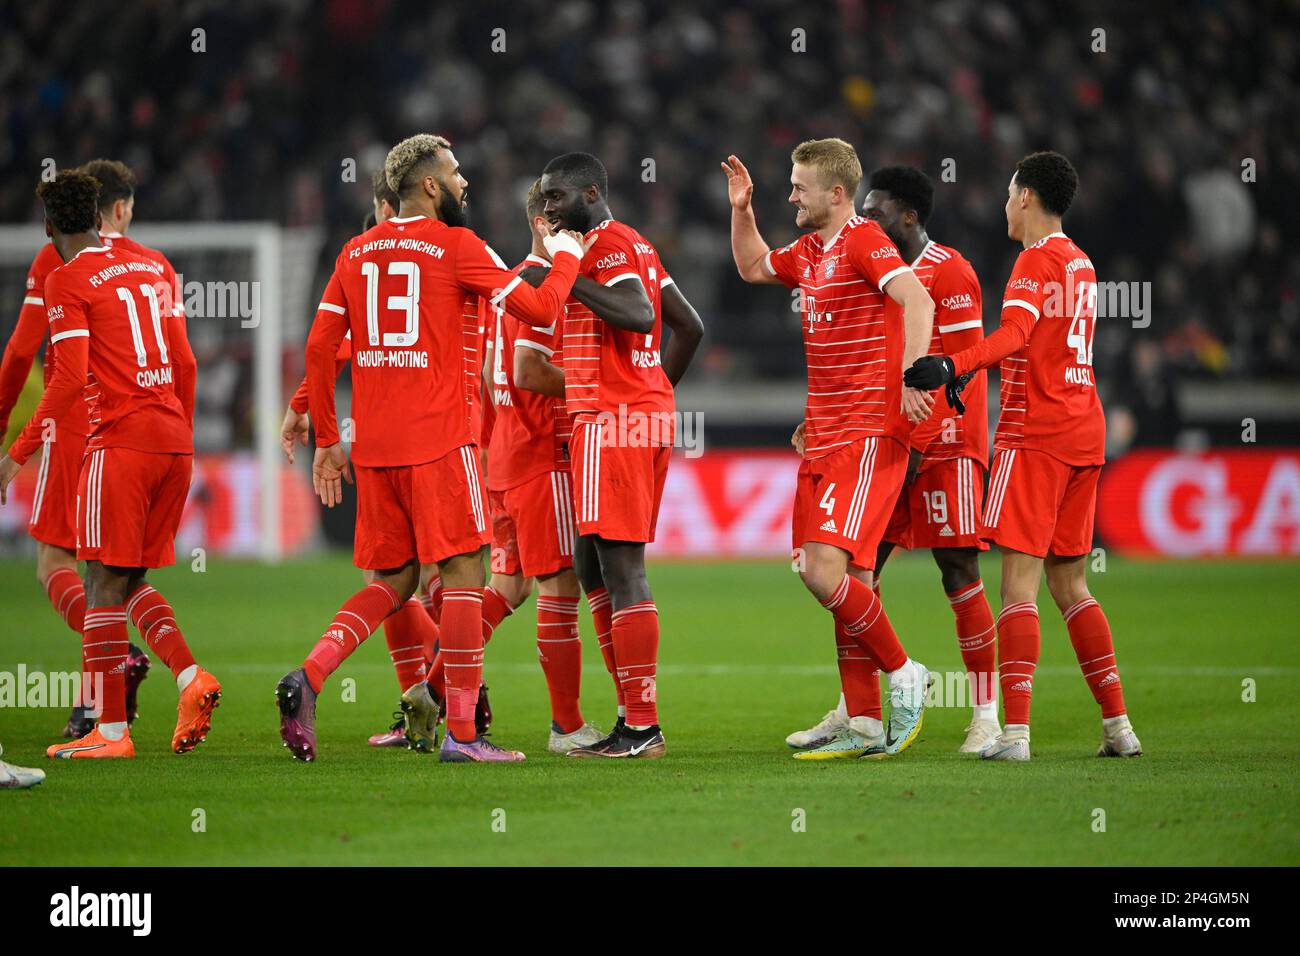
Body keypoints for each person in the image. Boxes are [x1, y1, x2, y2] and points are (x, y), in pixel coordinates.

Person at [274, 133, 584, 763]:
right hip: (444, 443)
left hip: (376, 446)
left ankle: (310, 675)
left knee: (392, 581)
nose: (466, 181)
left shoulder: (355, 251)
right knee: (468, 573)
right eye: (457, 172)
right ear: (432, 186)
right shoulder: (456, 245)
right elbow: (541, 303)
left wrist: (328, 442)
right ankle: (465, 734)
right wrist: (568, 254)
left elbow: (316, 349)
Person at [905, 150, 1143, 761]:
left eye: (1011, 193)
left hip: (1034, 433)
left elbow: (1015, 334)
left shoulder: (1034, 260)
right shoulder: (1082, 262)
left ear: (1028, 198)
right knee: (1074, 586)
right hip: (1085, 431)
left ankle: (1015, 734)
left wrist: (950, 366)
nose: (1005, 204)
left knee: (1018, 590)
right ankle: (1118, 726)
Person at [723, 141, 937, 759]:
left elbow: (917, 300)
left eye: (799, 186)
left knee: (824, 572)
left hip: (867, 432)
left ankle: (904, 673)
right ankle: (865, 722)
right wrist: (742, 209)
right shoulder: (813, 251)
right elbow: (754, 267)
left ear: (836, 194)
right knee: (851, 579)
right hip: (824, 433)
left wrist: (912, 376)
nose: (790, 194)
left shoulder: (865, 240)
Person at [0, 169, 220, 759]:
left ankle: (111, 732)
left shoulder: (65, 279)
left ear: (48, 226)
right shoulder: (153, 266)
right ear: (101, 216)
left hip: (117, 441)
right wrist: (185, 439)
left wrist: (15, 453)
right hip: (173, 436)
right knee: (130, 579)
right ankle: (190, 676)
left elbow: (66, 377)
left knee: (95, 577)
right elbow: (188, 364)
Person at [786, 165, 1000, 754]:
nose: (865, 217)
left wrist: (921, 431)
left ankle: (985, 712)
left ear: (908, 215)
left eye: (877, 210)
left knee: (958, 570)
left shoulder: (949, 271)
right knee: (856, 573)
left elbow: (965, 361)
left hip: (945, 440)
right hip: (885, 438)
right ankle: (858, 710)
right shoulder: (864, 261)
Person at [522, 152, 704, 759]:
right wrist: (654, 392)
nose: (547, 210)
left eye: (556, 198)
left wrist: (563, 272)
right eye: (543, 200)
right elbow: (690, 326)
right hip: (626, 416)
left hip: (611, 420)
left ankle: (641, 726)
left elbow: (641, 314)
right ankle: (630, 715)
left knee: (623, 571)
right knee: (592, 565)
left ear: (591, 193)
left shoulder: (606, 244)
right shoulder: (637, 245)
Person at [482, 179, 604, 753]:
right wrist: (593, 386)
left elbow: (489, 376)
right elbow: (528, 371)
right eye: (566, 229)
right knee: (561, 586)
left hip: (502, 454)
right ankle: (568, 726)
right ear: (540, 224)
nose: (578, 240)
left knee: (507, 585)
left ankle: (433, 689)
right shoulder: (542, 288)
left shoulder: (501, 284)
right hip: (539, 456)